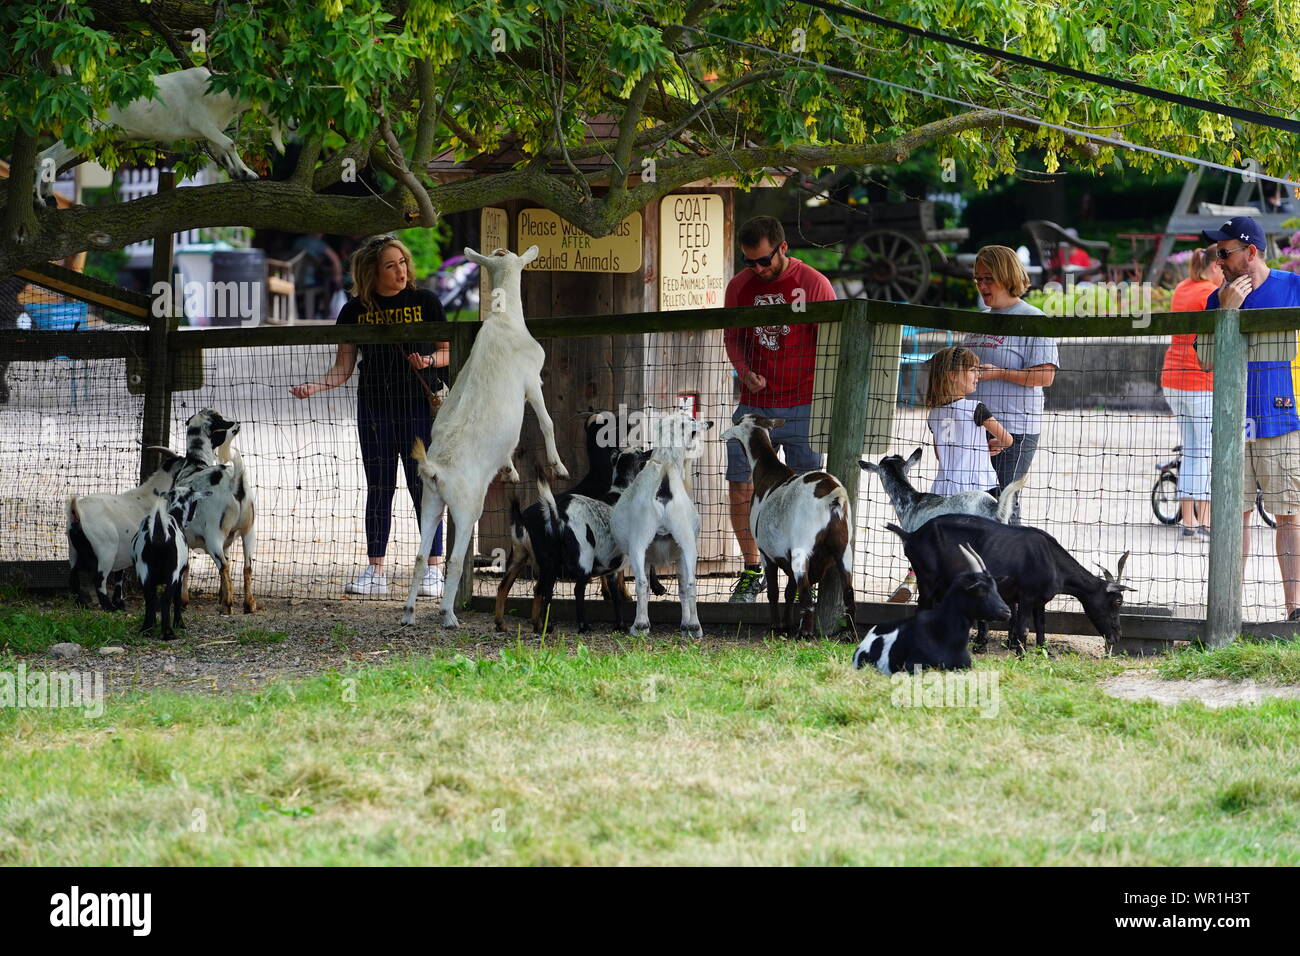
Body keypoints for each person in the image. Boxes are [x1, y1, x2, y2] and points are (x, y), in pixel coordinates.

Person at [290, 234, 450, 597]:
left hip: (417, 409)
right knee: (379, 488)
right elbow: (343, 366)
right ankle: (375, 571)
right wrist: (315, 387)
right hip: (374, 408)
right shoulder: (354, 311)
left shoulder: (426, 302)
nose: (400, 270)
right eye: (390, 265)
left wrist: (427, 361)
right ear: (372, 272)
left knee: (423, 486)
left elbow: (448, 352)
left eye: (403, 262)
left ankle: (432, 568)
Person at [722, 215, 836, 603]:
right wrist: (744, 371)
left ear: (783, 248)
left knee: (807, 491)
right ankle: (752, 569)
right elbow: (733, 337)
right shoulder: (740, 287)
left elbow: (832, 344)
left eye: (763, 261)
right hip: (754, 405)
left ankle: (801, 570)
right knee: (740, 484)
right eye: (748, 262)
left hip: (803, 402)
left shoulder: (814, 284)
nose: (757, 269)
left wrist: (824, 395)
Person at [1199, 216, 1300, 621]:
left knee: (1289, 515)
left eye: (1224, 253)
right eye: (1215, 254)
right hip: (1231, 424)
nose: (1217, 260)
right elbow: (1206, 362)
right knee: (1230, 515)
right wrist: (1227, 313)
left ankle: (1295, 611)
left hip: (1284, 421)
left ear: (1251, 253)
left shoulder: (1293, 288)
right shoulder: (1216, 298)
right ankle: (1228, 611)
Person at [962, 244, 1058, 525]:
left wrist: (1000, 372)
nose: (981, 285)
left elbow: (1045, 376)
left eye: (988, 278)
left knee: (1004, 505)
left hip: (1015, 428)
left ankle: (1014, 568)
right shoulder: (978, 321)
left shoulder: (1034, 320)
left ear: (1006, 276)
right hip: (975, 427)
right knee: (974, 506)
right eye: (978, 279)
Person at [1162, 247, 1221, 538]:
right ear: (1214, 268)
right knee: (1206, 452)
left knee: (1192, 449)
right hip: (1200, 380)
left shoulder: (1183, 288)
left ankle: (1189, 520)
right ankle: (1206, 520)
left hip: (1173, 377)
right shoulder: (1210, 292)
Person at [925, 346, 1012, 495]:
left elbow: (940, 455)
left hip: (945, 488)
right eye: (972, 370)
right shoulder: (976, 408)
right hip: (979, 487)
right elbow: (1008, 440)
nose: (978, 375)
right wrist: (994, 444)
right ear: (953, 375)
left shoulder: (934, 415)